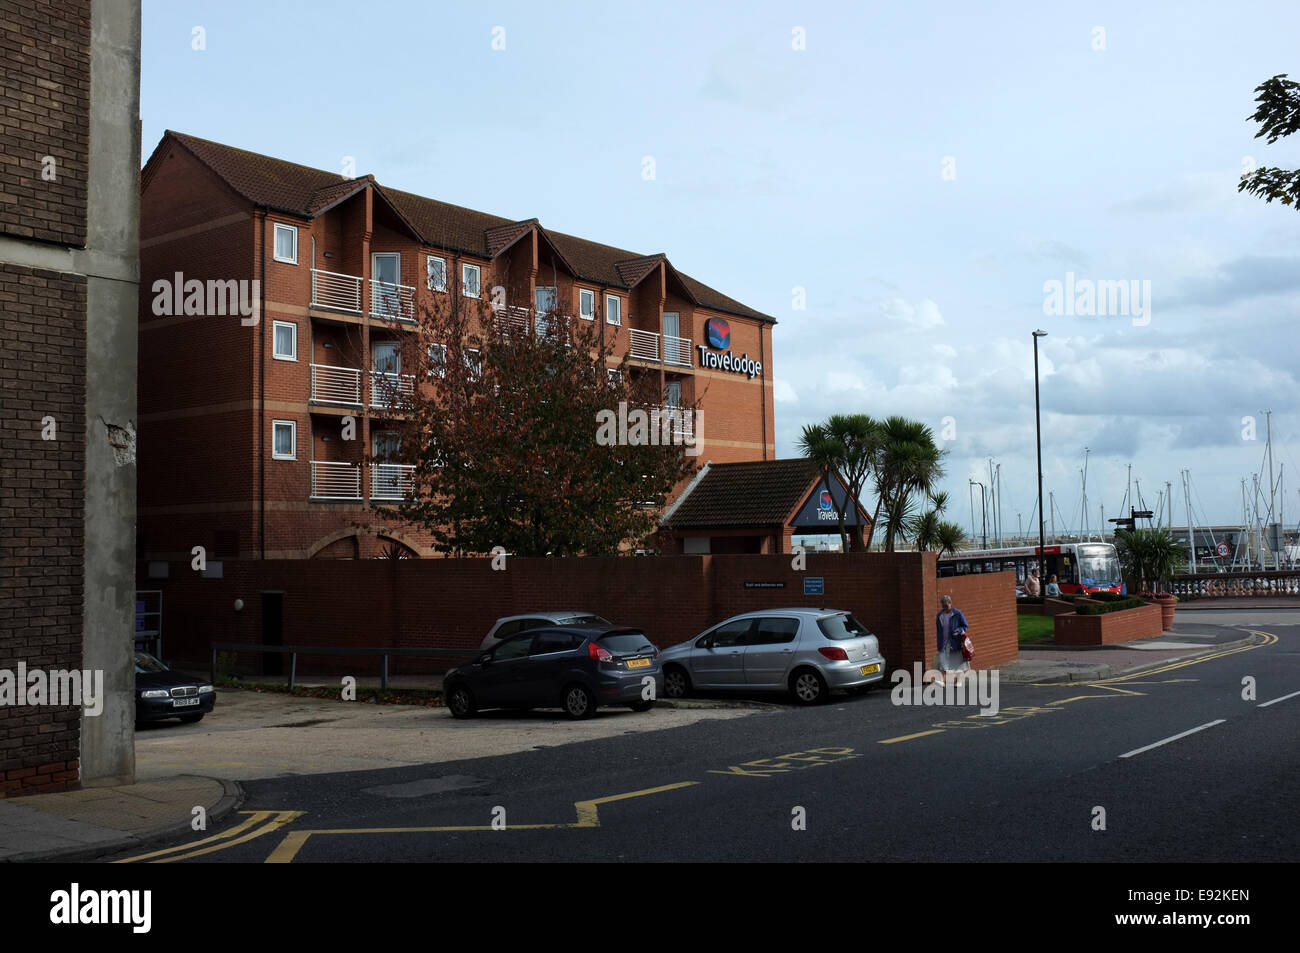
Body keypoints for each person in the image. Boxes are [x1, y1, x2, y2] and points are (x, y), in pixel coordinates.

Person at [935, 594, 970, 676]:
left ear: (950, 603)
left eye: (946, 606)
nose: (945, 608)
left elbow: (965, 625)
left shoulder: (958, 613)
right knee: (943, 662)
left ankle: (959, 680)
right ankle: (942, 681)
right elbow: (939, 630)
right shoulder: (939, 615)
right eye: (943, 606)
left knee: (957, 663)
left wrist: (959, 630)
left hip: (955, 642)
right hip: (943, 643)